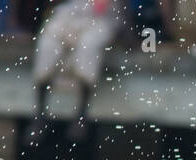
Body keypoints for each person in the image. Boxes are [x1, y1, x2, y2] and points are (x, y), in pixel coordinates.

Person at [26, 0, 127, 145]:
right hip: (70, 11)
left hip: (101, 17)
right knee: (47, 44)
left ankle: (81, 115)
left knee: (88, 46)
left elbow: (102, 6)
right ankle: (39, 115)